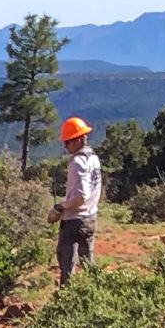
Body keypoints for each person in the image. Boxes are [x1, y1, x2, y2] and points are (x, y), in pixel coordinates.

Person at [52, 116, 101, 283]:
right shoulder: (93, 158)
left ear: (79, 139)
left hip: (74, 220)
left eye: (68, 142)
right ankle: (98, 294)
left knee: (67, 265)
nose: (65, 146)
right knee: (88, 262)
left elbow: (81, 196)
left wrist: (60, 207)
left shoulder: (78, 162)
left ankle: (67, 302)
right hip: (91, 217)